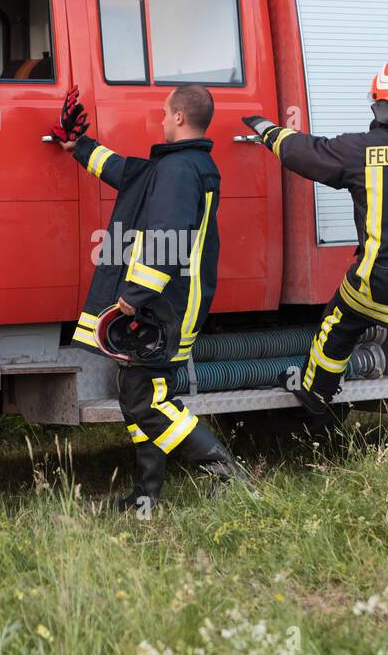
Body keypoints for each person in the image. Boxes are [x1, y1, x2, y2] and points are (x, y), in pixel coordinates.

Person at [243, 55, 388, 488]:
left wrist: (267, 130)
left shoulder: (358, 151)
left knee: (338, 326)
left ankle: (315, 400)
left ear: (378, 103)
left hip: (377, 288)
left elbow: (303, 153)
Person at [52, 83, 245, 513]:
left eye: (164, 113)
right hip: (170, 302)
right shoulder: (182, 165)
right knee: (139, 394)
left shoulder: (179, 171)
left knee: (147, 398)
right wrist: (78, 146)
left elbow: (168, 236)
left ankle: (224, 471)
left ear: (179, 117)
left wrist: (134, 296)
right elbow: (125, 172)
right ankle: (145, 495)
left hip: (164, 306)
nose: (160, 119)